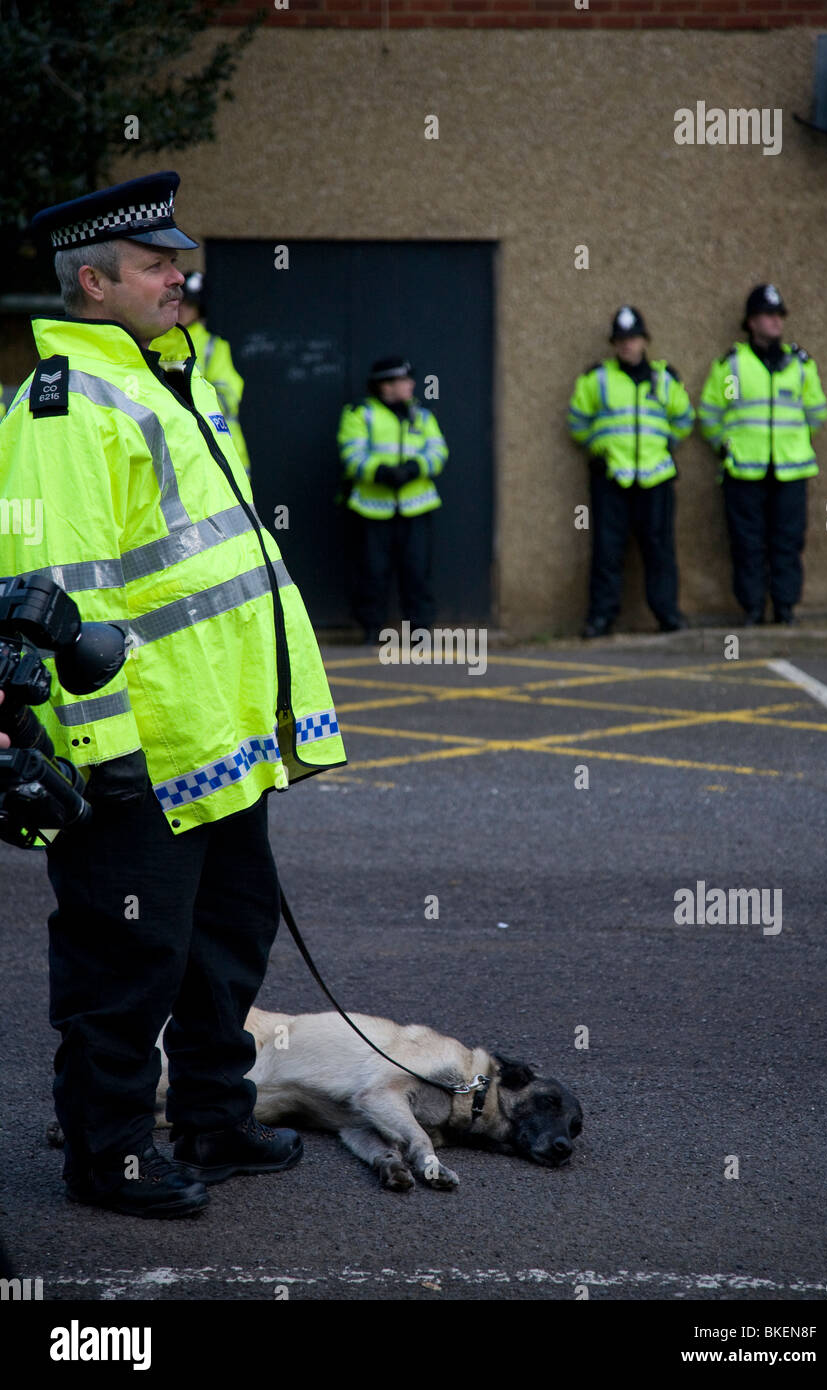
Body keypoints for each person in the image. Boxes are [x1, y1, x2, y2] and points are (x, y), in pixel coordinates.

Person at [0, 171, 346, 1218]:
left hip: (216, 742)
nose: (178, 278)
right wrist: (100, 756)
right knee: (125, 960)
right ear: (92, 283)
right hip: (134, 755)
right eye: (156, 265)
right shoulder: (66, 405)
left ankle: (211, 1116)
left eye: (178, 261)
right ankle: (107, 1157)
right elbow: (61, 597)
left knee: (228, 939)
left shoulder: (167, 381)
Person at [699, 284, 827, 625]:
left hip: (790, 468)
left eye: (778, 316)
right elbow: (712, 414)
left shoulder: (801, 365)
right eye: (768, 315)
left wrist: (793, 442)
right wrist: (725, 447)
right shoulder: (733, 367)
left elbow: (816, 413)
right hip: (744, 469)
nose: (775, 322)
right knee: (747, 544)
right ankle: (753, 608)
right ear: (751, 322)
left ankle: (785, 608)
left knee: (787, 542)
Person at [568, 306, 694, 638]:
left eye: (633, 339)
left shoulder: (665, 379)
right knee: (608, 551)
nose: (627, 346)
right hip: (612, 477)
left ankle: (667, 614)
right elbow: (577, 423)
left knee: (659, 550)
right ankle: (601, 618)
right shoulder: (597, 379)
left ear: (644, 341)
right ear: (614, 344)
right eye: (621, 340)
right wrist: (599, 449)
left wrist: (664, 446)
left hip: (656, 477)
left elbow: (684, 419)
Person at [337, 357, 448, 643]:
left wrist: (415, 468)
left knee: (417, 572)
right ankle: (371, 631)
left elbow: (438, 452)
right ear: (385, 385)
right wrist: (380, 472)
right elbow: (351, 455)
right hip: (372, 509)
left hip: (416, 508)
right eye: (404, 380)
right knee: (372, 573)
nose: (411, 384)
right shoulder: (360, 413)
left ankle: (420, 631)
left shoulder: (421, 415)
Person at [176, 270, 251, 477]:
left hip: (223, 452)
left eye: (190, 305)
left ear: (199, 311)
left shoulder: (213, 346)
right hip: (184, 450)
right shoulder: (157, 341)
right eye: (180, 301)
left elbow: (229, 397)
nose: (182, 309)